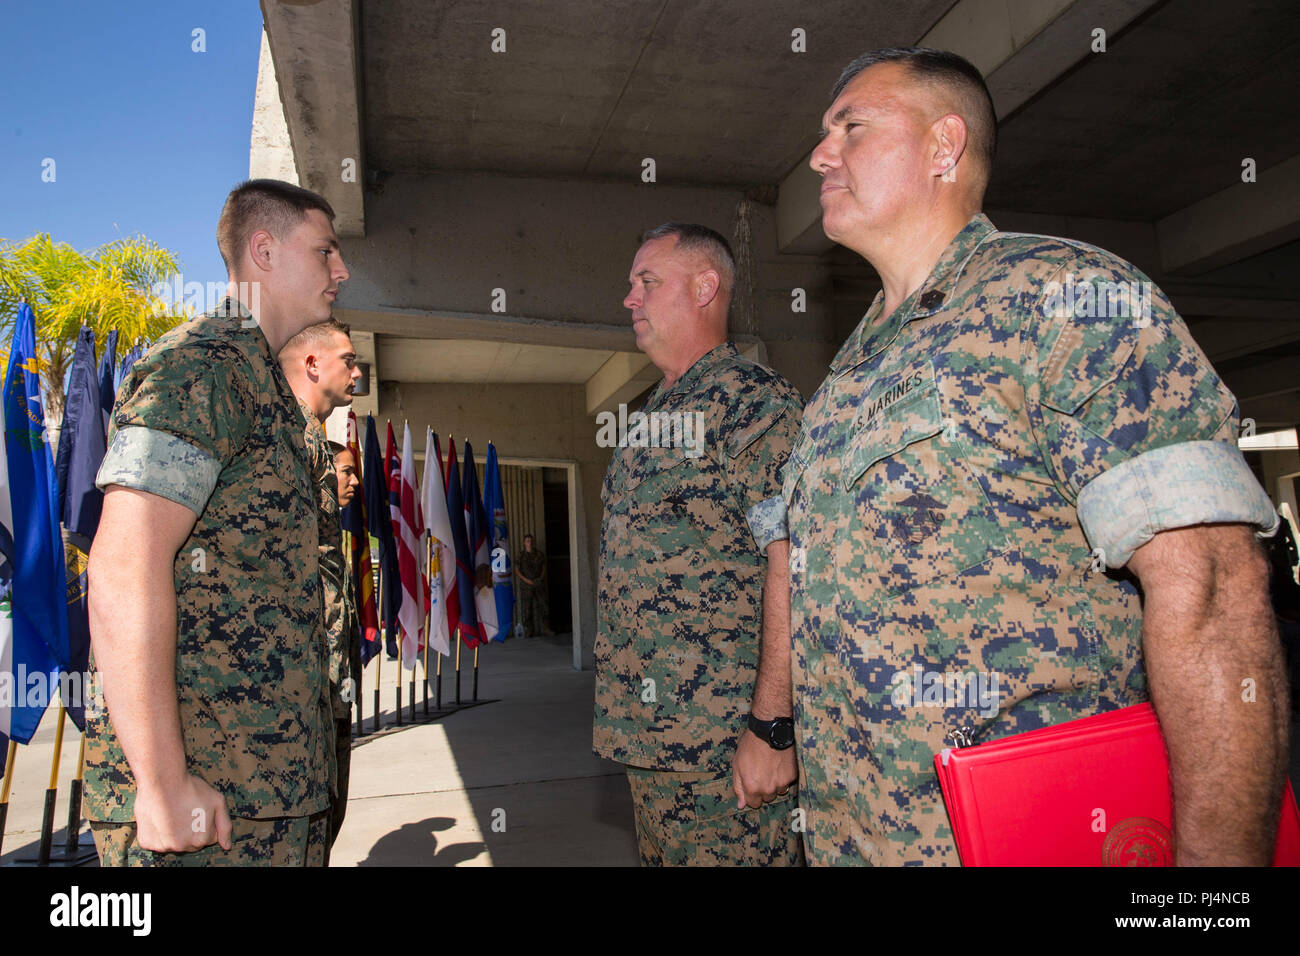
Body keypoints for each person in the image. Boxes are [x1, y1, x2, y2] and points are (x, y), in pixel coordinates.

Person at [787, 47, 1287, 865]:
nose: (819, 153)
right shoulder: (851, 367)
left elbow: (1211, 591)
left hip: (1030, 834)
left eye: (851, 126)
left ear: (943, 147)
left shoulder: (1065, 298)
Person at [83, 179, 351, 866]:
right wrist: (164, 784)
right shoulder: (204, 368)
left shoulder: (263, 386)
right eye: (325, 252)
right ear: (263, 251)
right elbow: (123, 564)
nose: (341, 271)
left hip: (270, 793)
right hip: (208, 802)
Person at [593, 222, 807, 866]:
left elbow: (793, 561)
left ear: (704, 287)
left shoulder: (754, 406)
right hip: (655, 745)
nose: (629, 299)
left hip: (724, 753)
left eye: (647, 283)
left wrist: (772, 727)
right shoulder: (652, 414)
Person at [278, 319, 364, 854]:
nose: (357, 373)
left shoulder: (306, 437)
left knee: (325, 826)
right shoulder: (286, 439)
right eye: (348, 361)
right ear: (313, 365)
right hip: (296, 697)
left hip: (325, 690)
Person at [515, 533, 550, 637]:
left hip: (538, 584)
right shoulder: (520, 556)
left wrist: (540, 578)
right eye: (527, 541)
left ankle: (545, 628)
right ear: (524, 543)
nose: (529, 543)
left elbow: (543, 567)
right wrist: (527, 581)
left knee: (544, 605)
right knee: (527, 609)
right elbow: (517, 571)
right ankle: (529, 630)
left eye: (531, 541)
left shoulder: (539, 554)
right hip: (526, 586)